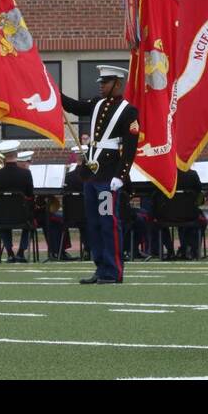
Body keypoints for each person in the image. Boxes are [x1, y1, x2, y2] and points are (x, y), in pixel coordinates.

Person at [60, 65, 138, 284]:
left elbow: (130, 148)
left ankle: (113, 271)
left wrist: (120, 175)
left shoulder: (128, 111)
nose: (102, 86)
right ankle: (100, 268)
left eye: (106, 83)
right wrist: (53, 93)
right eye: (101, 83)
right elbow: (74, 106)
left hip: (108, 177)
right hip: (91, 176)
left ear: (117, 84)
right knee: (92, 223)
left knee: (108, 223)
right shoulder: (96, 104)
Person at [0, 146, 35, 261]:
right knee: (31, 221)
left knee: (2, 220)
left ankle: (9, 253)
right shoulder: (26, 173)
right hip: (22, 216)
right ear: (16, 155)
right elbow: (30, 193)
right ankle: (21, 252)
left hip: (0, 216)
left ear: (4, 156)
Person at [174, 166, 207, 259]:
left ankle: (182, 248)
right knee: (201, 221)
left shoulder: (169, 174)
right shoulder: (192, 174)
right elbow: (199, 191)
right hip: (191, 213)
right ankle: (193, 248)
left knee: (183, 224)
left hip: (171, 214)